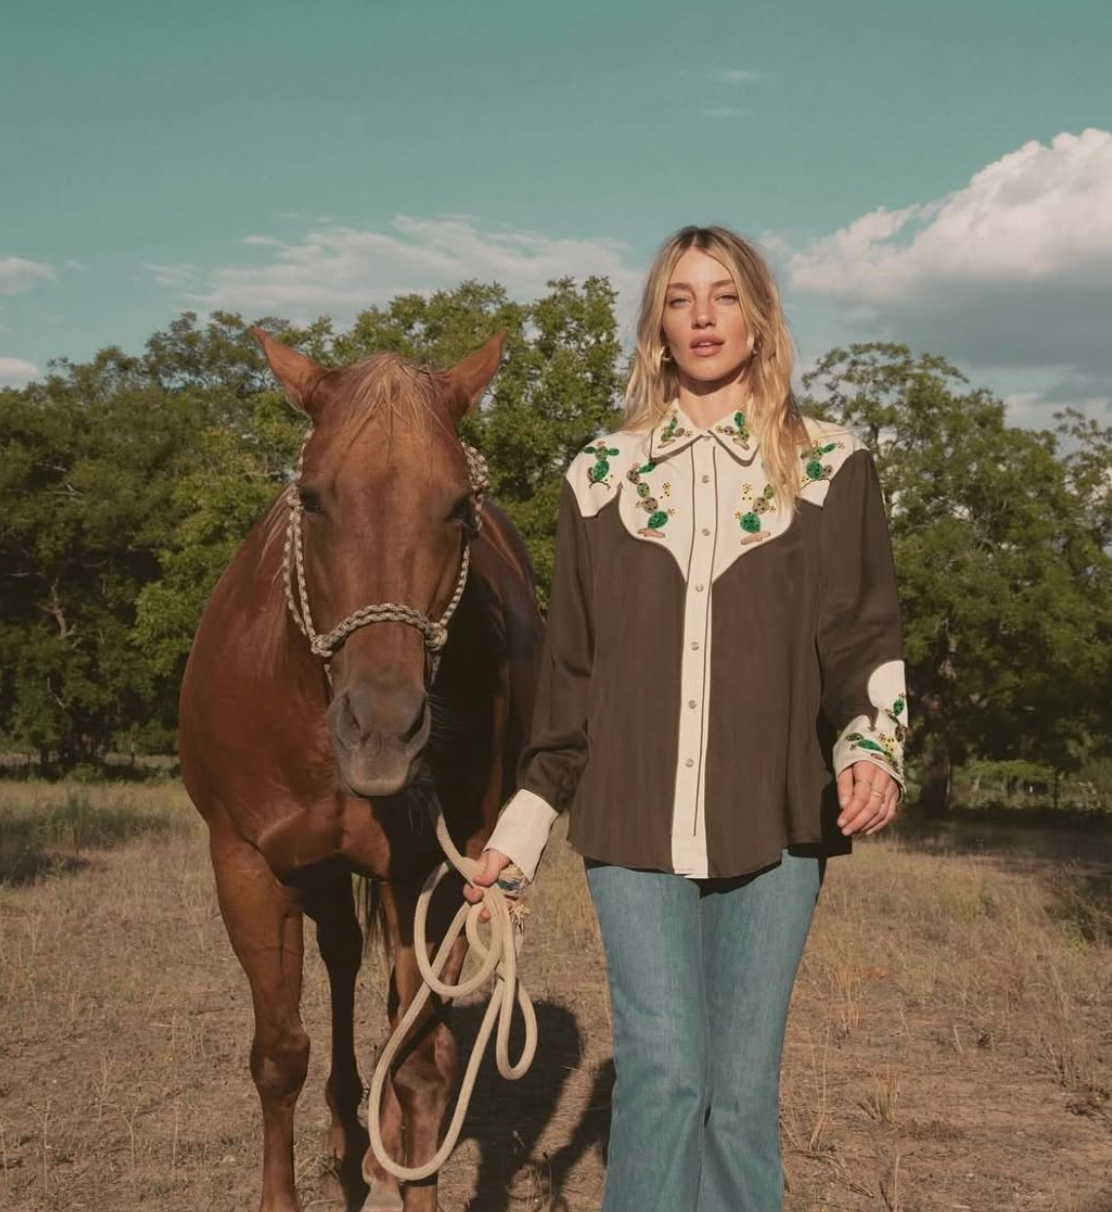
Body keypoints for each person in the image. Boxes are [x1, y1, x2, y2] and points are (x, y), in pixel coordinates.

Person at [465, 224, 908, 1212]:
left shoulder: (836, 468)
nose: (702, 317)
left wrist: (869, 747)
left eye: (722, 295)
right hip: (629, 822)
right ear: (656, 328)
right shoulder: (597, 476)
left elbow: (859, 637)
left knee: (740, 1097)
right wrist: (519, 833)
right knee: (664, 1078)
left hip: (780, 817)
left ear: (757, 315)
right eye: (679, 299)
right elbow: (570, 673)